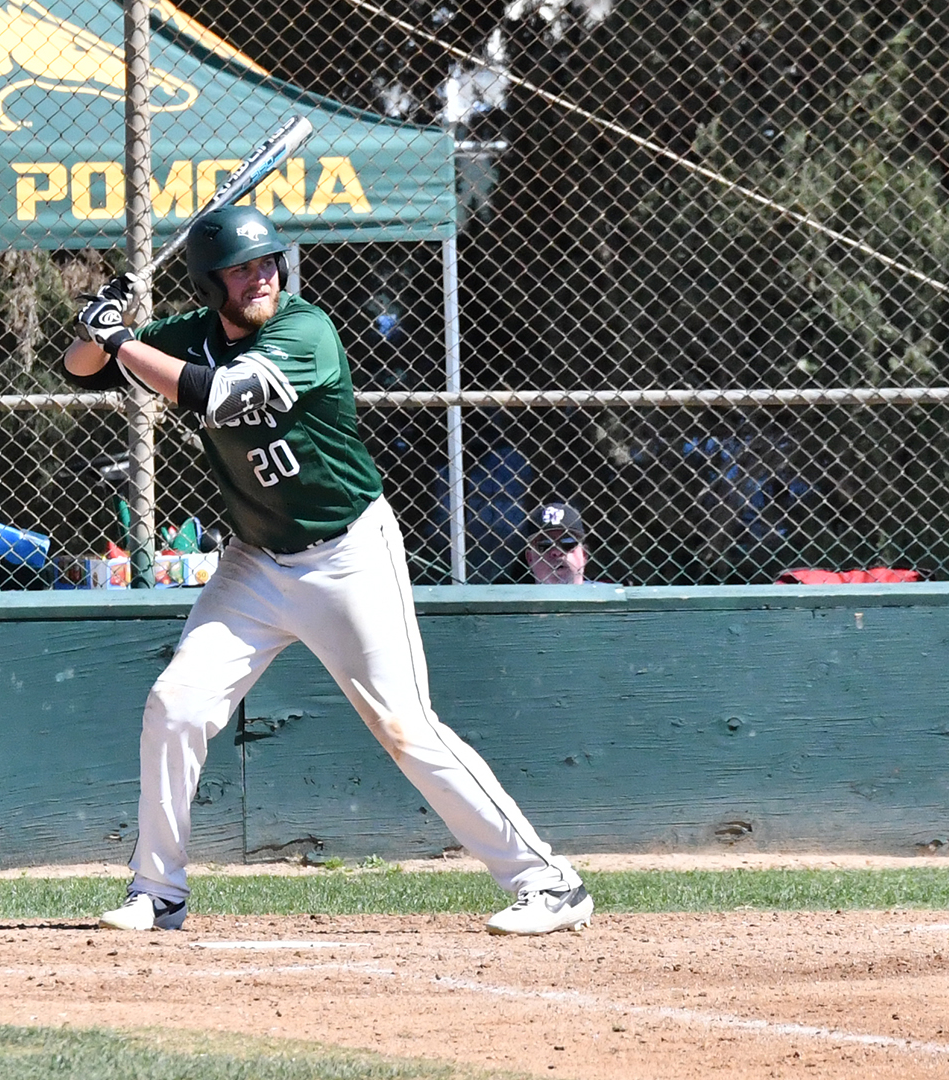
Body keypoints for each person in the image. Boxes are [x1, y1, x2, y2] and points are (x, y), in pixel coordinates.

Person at [62, 207, 593, 936]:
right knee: (174, 706)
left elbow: (219, 395)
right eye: (242, 269)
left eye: (267, 264)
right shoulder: (192, 333)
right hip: (254, 562)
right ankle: (158, 891)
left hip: (347, 555)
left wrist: (121, 338)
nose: (261, 278)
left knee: (406, 727)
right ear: (211, 284)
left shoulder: (304, 330)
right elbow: (80, 368)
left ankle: (549, 883)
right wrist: (97, 326)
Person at [522, 501, 603, 585]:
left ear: (584, 555)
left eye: (568, 543)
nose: (557, 552)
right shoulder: (517, 593)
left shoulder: (605, 592)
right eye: (545, 545)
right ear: (530, 559)